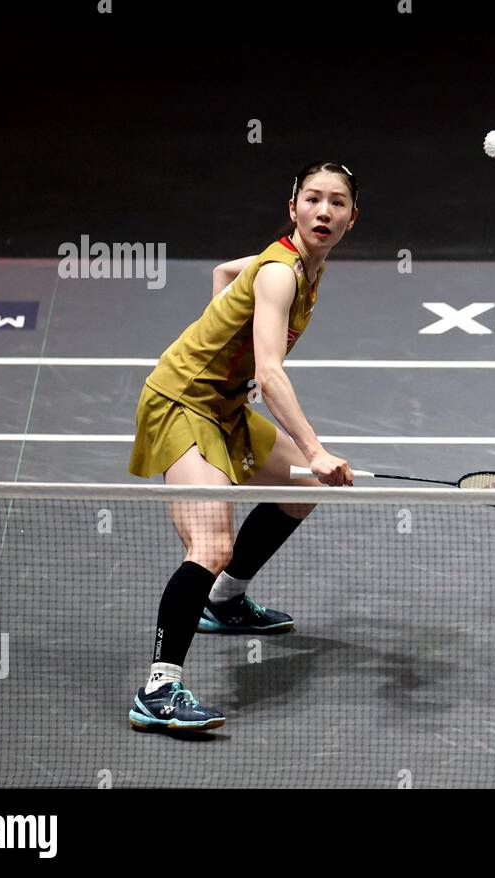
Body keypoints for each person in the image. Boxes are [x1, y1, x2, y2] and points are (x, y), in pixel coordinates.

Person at [125, 161, 359, 731]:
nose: (323, 212)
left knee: (301, 489)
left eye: (337, 203)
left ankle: (224, 604)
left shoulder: (303, 264)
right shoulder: (283, 273)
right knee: (210, 544)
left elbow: (228, 270)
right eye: (312, 199)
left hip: (224, 406)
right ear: (293, 207)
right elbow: (272, 373)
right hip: (183, 403)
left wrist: (229, 353)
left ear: (353, 218)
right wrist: (317, 448)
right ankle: (158, 689)